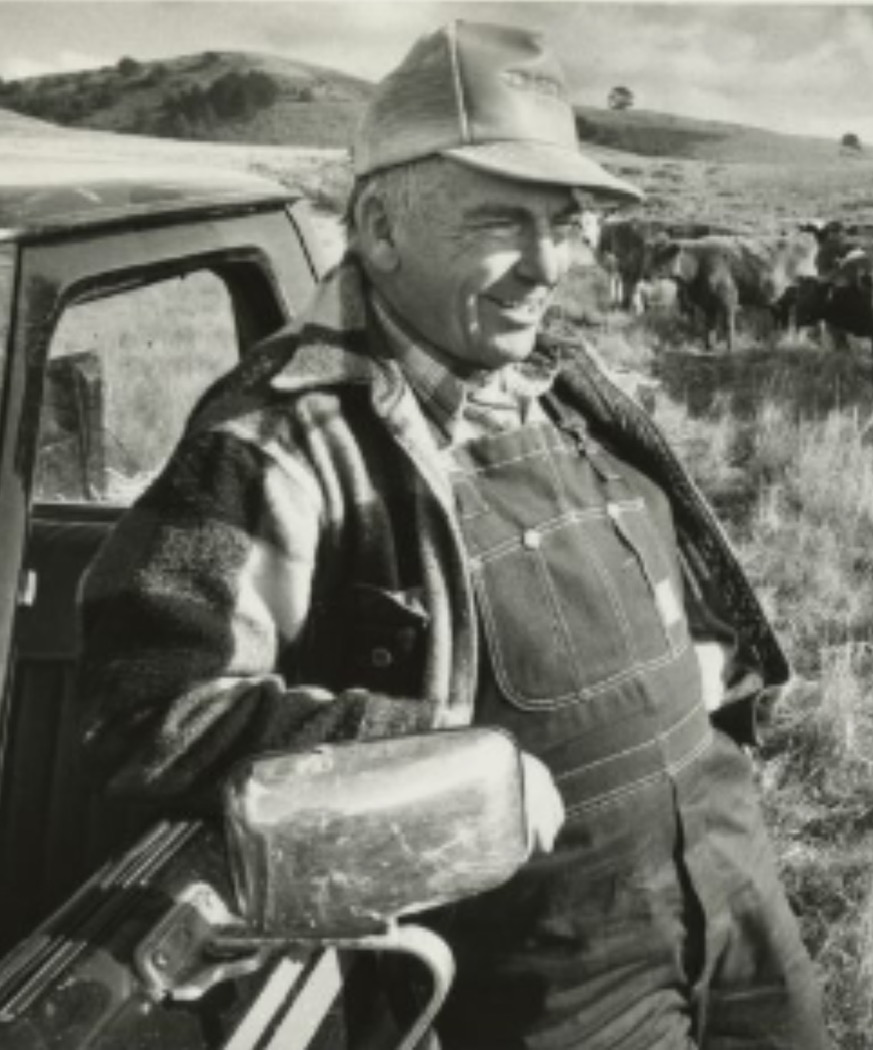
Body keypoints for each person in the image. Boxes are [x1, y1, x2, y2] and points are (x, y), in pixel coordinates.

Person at [77, 20, 830, 1050]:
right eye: (503, 223)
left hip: (733, 890)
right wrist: (429, 762)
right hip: (541, 981)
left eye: (564, 224)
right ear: (381, 228)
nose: (548, 265)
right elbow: (145, 714)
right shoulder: (279, 439)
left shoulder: (562, 383)